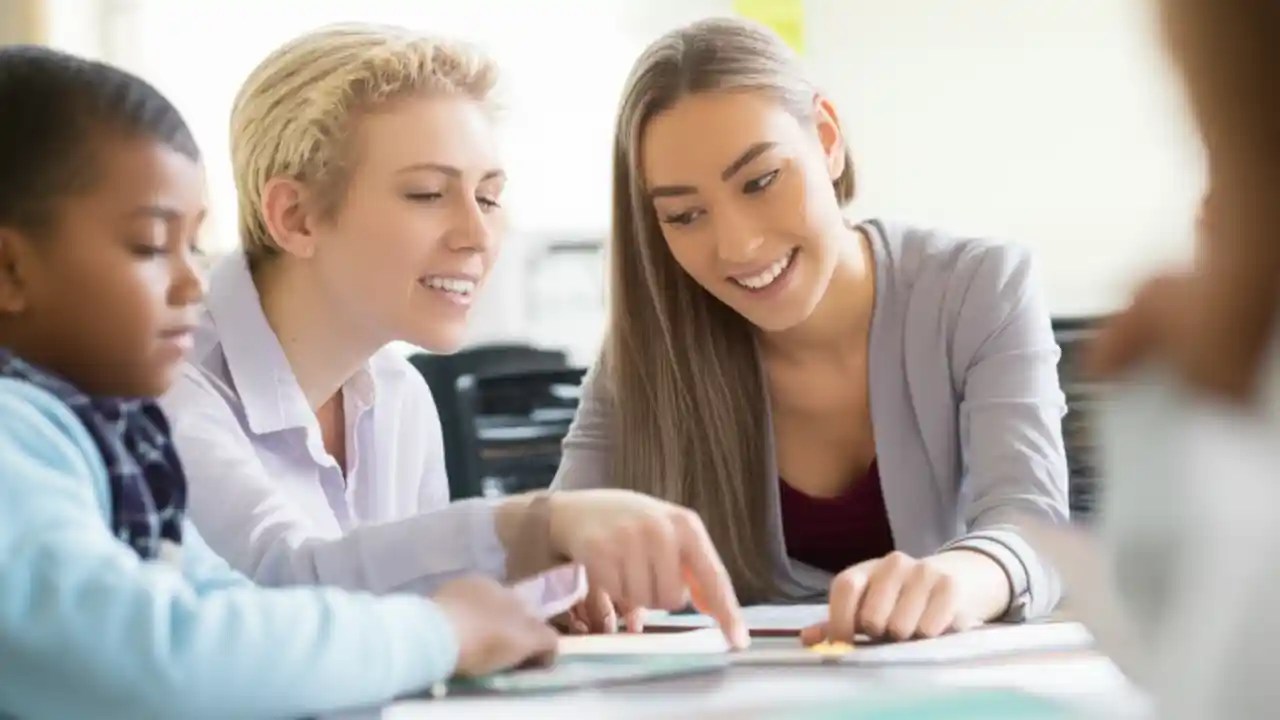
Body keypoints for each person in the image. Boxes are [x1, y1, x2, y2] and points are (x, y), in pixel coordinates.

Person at [0, 45, 560, 720]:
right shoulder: (26, 436)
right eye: (151, 246)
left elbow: (238, 608)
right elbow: (166, 654)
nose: (190, 281)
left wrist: (510, 603)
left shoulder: (118, 437)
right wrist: (443, 629)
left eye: (192, 245)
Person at [158, 24, 748, 647]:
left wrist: (516, 598)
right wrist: (533, 531)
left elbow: (400, 615)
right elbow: (287, 590)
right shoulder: (166, 385)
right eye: (428, 194)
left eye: (489, 198)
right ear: (295, 217)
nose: (477, 234)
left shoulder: (398, 396)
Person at [555, 17, 1070, 644]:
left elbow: (1032, 524)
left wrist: (964, 577)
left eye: (762, 180)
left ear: (827, 140)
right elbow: (558, 534)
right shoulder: (647, 346)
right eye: (685, 215)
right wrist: (568, 581)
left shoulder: (979, 286)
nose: (738, 246)